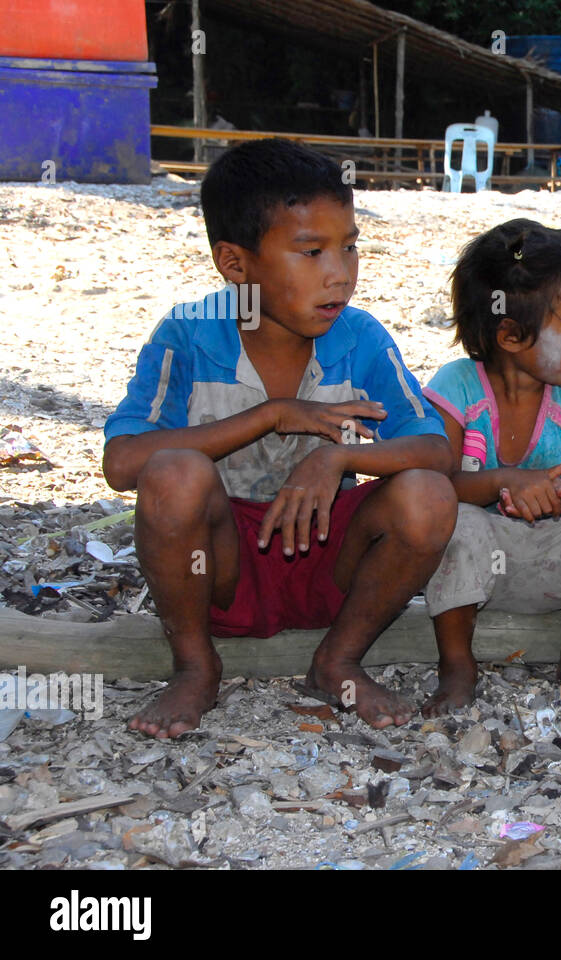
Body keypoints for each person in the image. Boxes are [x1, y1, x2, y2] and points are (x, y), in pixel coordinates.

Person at [103, 138, 457, 739]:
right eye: (311, 251)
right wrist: (272, 415)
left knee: (426, 493)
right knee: (173, 473)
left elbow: (436, 452)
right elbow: (122, 463)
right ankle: (194, 666)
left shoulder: (362, 338)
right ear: (236, 264)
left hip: (327, 563)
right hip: (221, 571)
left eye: (349, 248)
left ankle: (337, 658)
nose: (339, 274)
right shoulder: (188, 336)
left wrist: (338, 457)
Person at [420, 216, 561, 713]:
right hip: (477, 564)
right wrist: (504, 482)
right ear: (511, 335)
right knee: (453, 521)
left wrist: (555, 494)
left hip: (554, 556)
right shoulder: (457, 388)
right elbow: (433, 485)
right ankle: (457, 662)